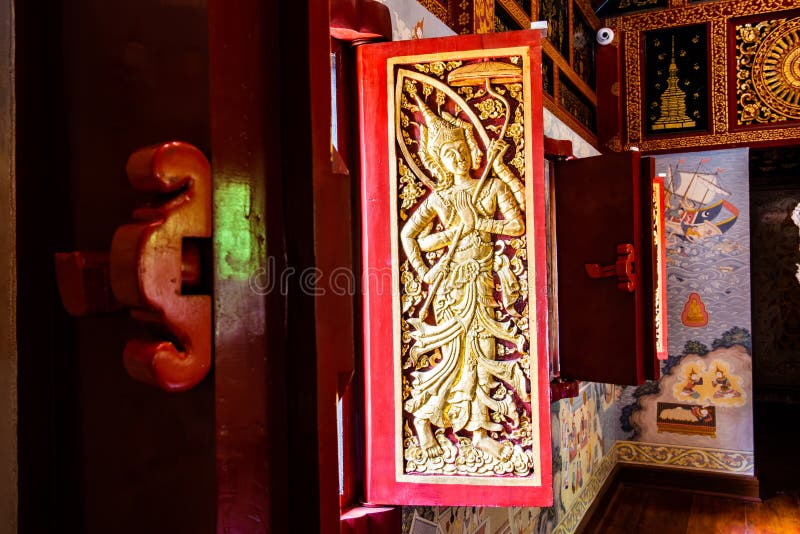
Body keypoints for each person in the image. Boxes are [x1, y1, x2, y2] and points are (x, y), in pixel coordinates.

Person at [401, 93, 528, 463]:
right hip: (452, 285)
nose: (456, 159)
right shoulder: (440, 198)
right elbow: (409, 235)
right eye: (448, 155)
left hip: (483, 281)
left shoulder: (490, 187)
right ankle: (424, 418)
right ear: (440, 162)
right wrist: (428, 265)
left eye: (460, 151)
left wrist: (482, 223)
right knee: (454, 356)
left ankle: (479, 432)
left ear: (471, 152)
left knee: (483, 354)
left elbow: (517, 226)